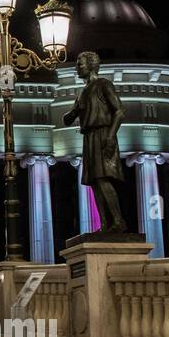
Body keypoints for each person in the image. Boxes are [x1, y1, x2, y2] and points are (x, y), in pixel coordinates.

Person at [64, 50, 127, 232]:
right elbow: (70, 117)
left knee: (103, 178)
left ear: (91, 65)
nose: (77, 67)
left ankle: (118, 221)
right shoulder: (83, 92)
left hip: (103, 133)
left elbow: (120, 111)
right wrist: (72, 113)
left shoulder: (103, 84)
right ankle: (105, 223)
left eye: (80, 63)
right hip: (89, 136)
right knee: (94, 181)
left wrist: (110, 136)